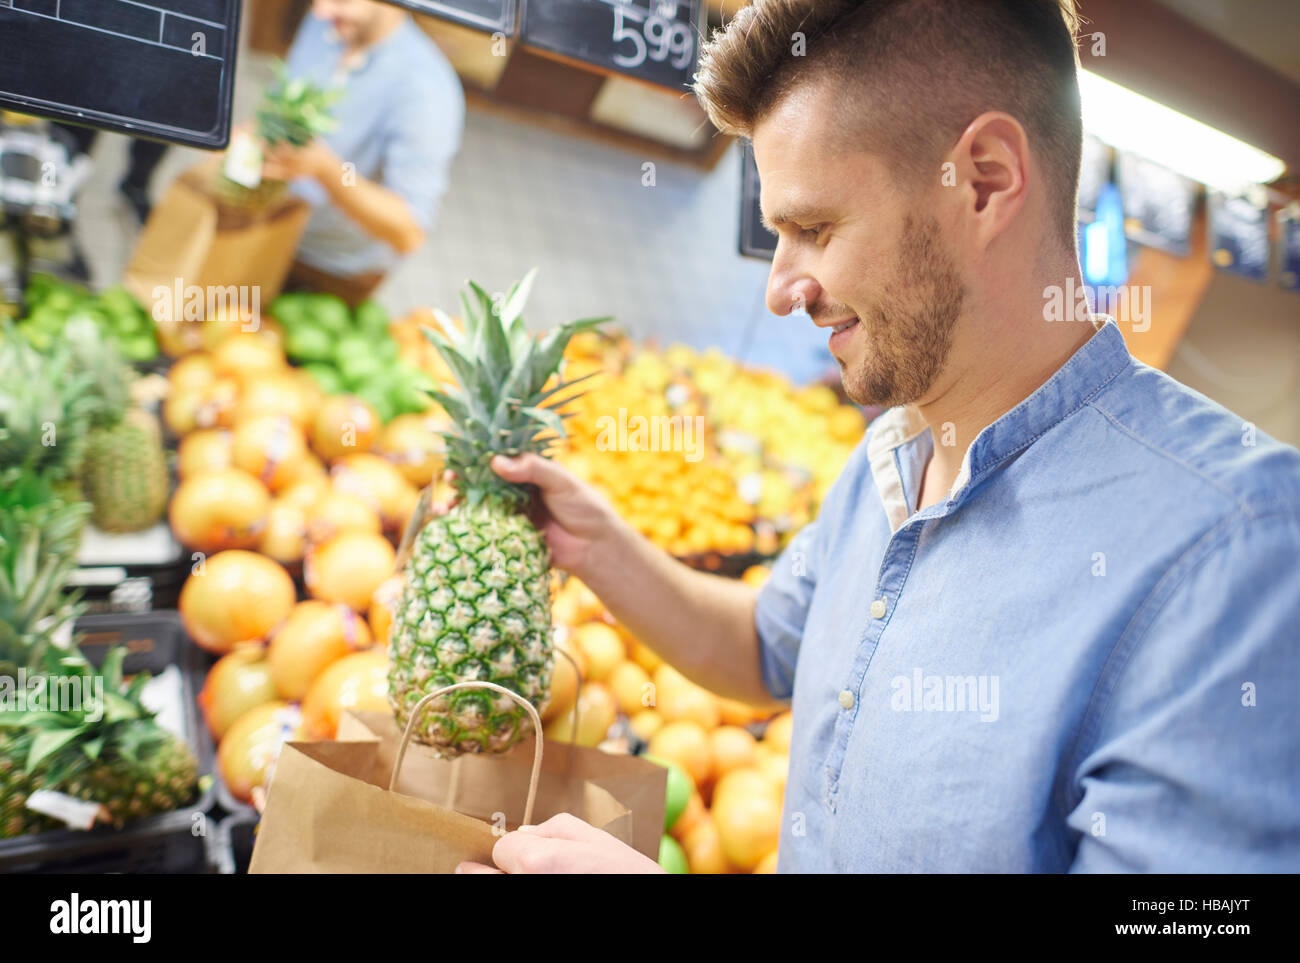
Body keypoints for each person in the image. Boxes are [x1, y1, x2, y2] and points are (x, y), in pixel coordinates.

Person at [457, 0, 1300, 873]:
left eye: (813, 230)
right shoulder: (888, 458)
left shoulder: (1239, 549)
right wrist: (591, 541)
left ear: (983, 180)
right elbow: (765, 644)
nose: (782, 287)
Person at [264, 0, 464, 305]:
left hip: (333, 271)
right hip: (268, 228)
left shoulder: (426, 88)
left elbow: (408, 231)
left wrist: (326, 170)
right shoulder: (325, 24)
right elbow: (281, 102)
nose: (321, 10)